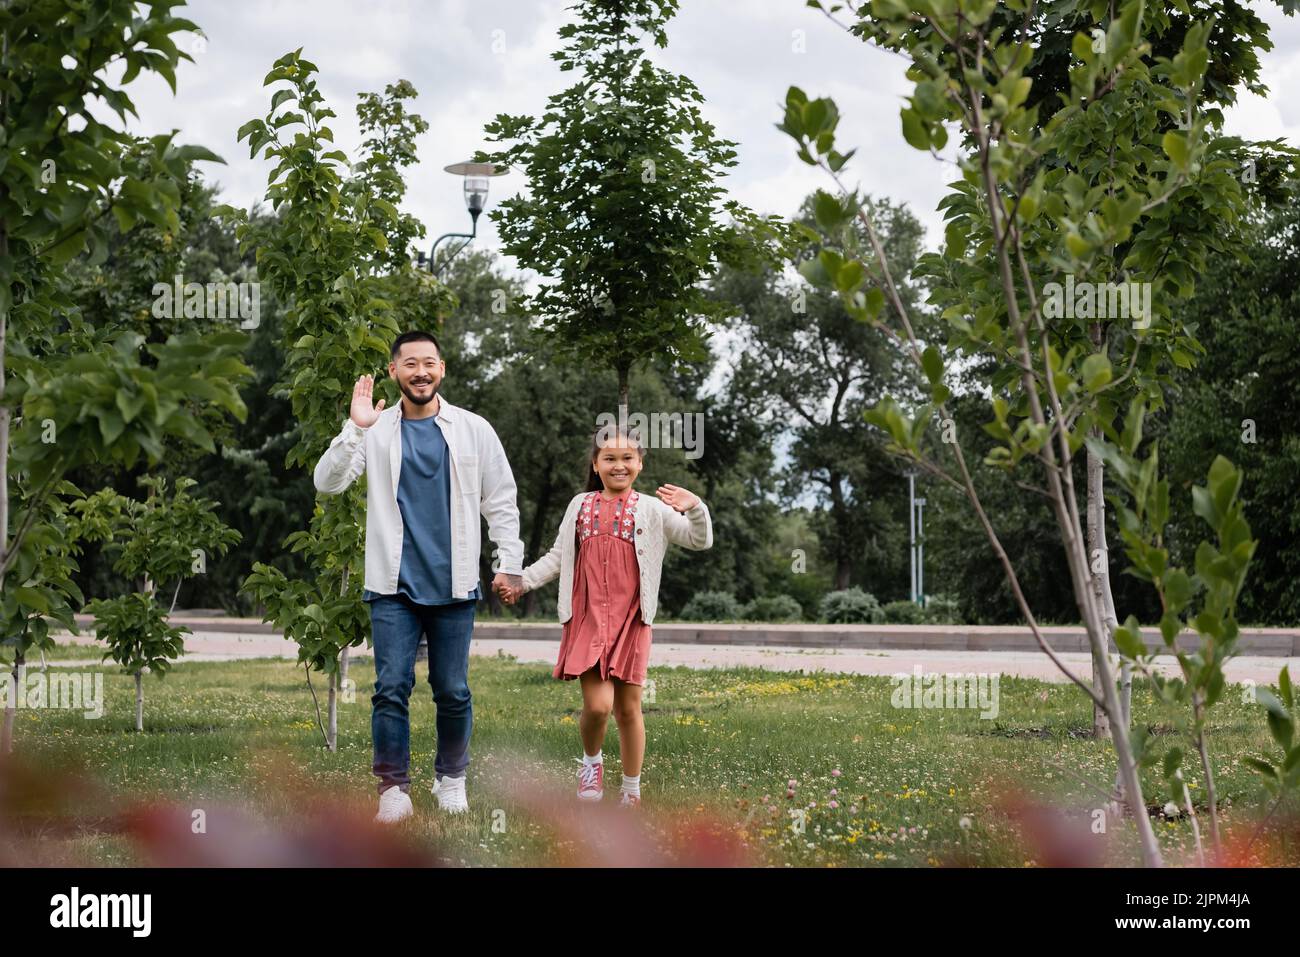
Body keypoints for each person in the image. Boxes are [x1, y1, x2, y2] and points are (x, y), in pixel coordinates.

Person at [313, 331, 524, 824]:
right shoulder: (377, 429)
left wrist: (507, 561)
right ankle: (393, 788)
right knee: (391, 687)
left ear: (442, 369)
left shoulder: (474, 429)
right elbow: (328, 483)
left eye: (429, 363)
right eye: (410, 364)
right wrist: (355, 428)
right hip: (392, 586)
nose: (421, 372)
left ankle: (451, 778)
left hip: (454, 584)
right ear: (394, 372)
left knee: (452, 689)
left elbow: (501, 500)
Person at [499, 426, 712, 807]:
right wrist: (522, 582)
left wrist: (695, 506)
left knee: (629, 709)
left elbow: (699, 539)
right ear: (596, 465)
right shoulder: (579, 505)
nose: (619, 465)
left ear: (640, 463)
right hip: (589, 619)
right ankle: (591, 763)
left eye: (627, 458)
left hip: (632, 620)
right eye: (609, 458)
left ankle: (631, 790)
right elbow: (557, 556)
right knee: (597, 707)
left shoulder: (652, 509)